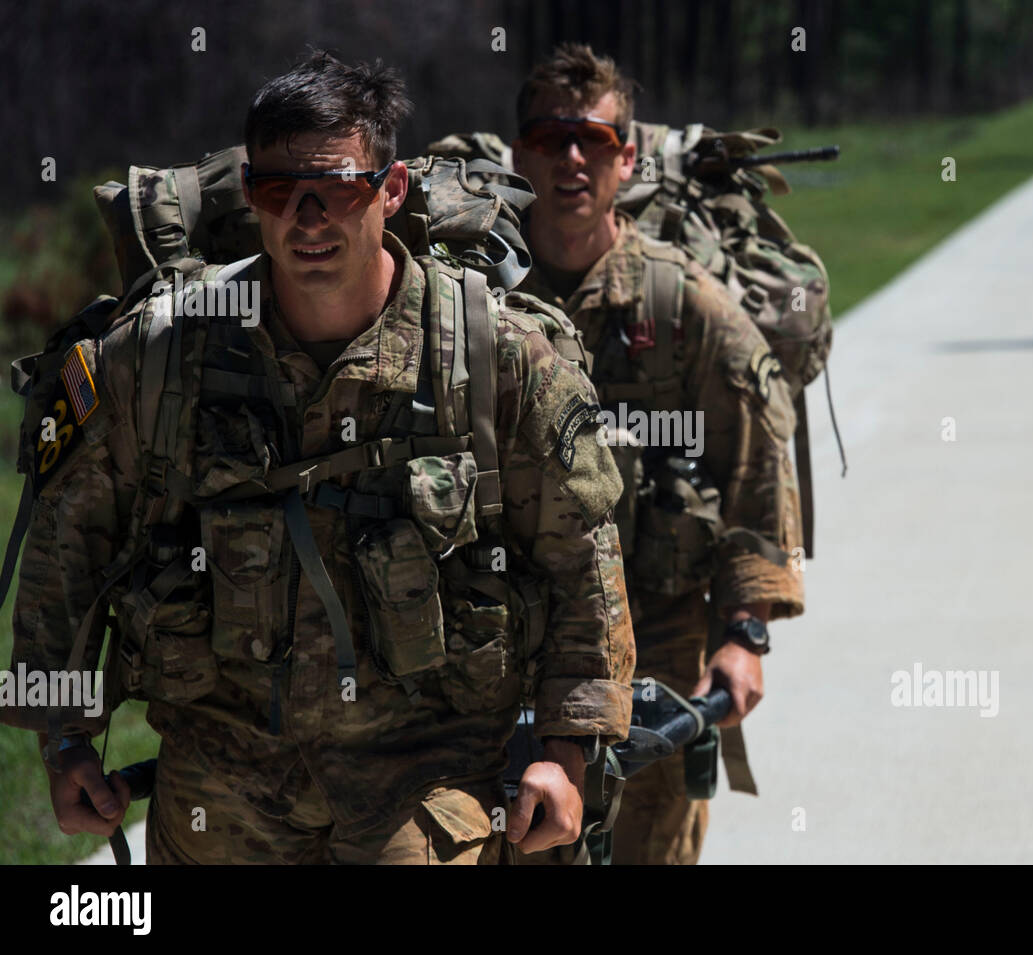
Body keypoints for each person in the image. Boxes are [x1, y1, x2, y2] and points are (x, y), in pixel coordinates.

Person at [2, 51, 635, 864]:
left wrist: (565, 751)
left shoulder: (493, 355)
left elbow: (581, 556)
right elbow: (70, 545)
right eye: (279, 192)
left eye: (337, 189)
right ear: (252, 203)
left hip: (426, 770)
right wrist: (63, 742)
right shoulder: (162, 358)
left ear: (391, 190)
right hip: (220, 778)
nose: (308, 218)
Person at [510, 44, 804, 865]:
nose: (573, 159)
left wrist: (743, 635)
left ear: (627, 159)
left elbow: (755, 475)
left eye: (596, 141)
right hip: (507, 652)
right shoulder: (476, 303)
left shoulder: (683, 306)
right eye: (552, 138)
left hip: (661, 648)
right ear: (518, 154)